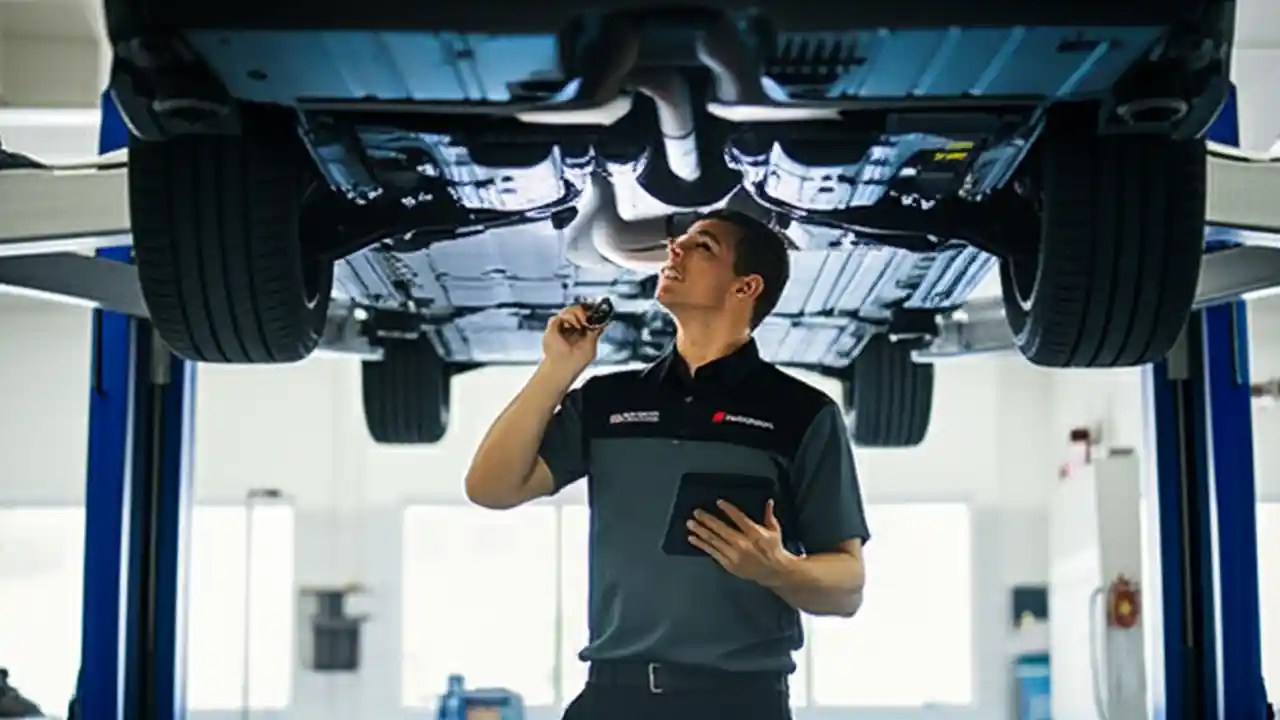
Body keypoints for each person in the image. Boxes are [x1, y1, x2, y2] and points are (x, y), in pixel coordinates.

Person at [464, 208, 870, 720]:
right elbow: (491, 488)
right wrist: (557, 371)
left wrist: (777, 568)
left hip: (739, 702)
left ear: (746, 288)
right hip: (614, 695)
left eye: (703, 247)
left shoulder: (802, 414)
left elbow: (847, 587)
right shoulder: (608, 400)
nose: (673, 249)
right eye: (679, 242)